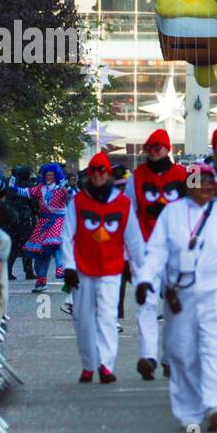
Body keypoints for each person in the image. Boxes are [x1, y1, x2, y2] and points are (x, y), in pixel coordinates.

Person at [136, 163, 217, 432]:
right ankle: (190, 412)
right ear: (188, 184)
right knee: (181, 351)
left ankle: (216, 404)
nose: (205, 186)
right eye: (198, 181)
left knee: (215, 346)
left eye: (209, 181)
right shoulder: (172, 213)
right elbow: (156, 251)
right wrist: (146, 279)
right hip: (181, 293)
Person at [60, 153, 144, 384]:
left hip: (111, 269)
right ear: (89, 174)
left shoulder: (123, 203)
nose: (98, 175)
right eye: (94, 171)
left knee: (107, 317)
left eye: (102, 171)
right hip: (83, 269)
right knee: (83, 319)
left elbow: (134, 239)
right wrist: (69, 267)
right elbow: (67, 235)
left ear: (108, 174)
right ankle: (89, 365)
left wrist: (140, 270)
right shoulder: (77, 202)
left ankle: (106, 365)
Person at [127, 129, 187, 380]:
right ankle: (148, 356)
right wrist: (128, 254)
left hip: (176, 248)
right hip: (146, 248)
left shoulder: (186, 174)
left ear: (168, 148)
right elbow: (128, 213)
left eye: (158, 147)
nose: (154, 151)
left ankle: (170, 357)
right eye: (150, 147)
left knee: (175, 306)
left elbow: (196, 206)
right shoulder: (136, 176)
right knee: (147, 302)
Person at [14, 163, 69, 292]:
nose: (49, 177)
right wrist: (13, 187)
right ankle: (41, 279)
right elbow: (26, 192)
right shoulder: (40, 188)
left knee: (56, 245)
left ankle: (61, 268)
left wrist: (67, 188)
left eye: (52, 175)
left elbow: (74, 196)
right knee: (41, 252)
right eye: (47, 175)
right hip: (44, 222)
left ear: (56, 175)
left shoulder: (61, 188)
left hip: (59, 221)